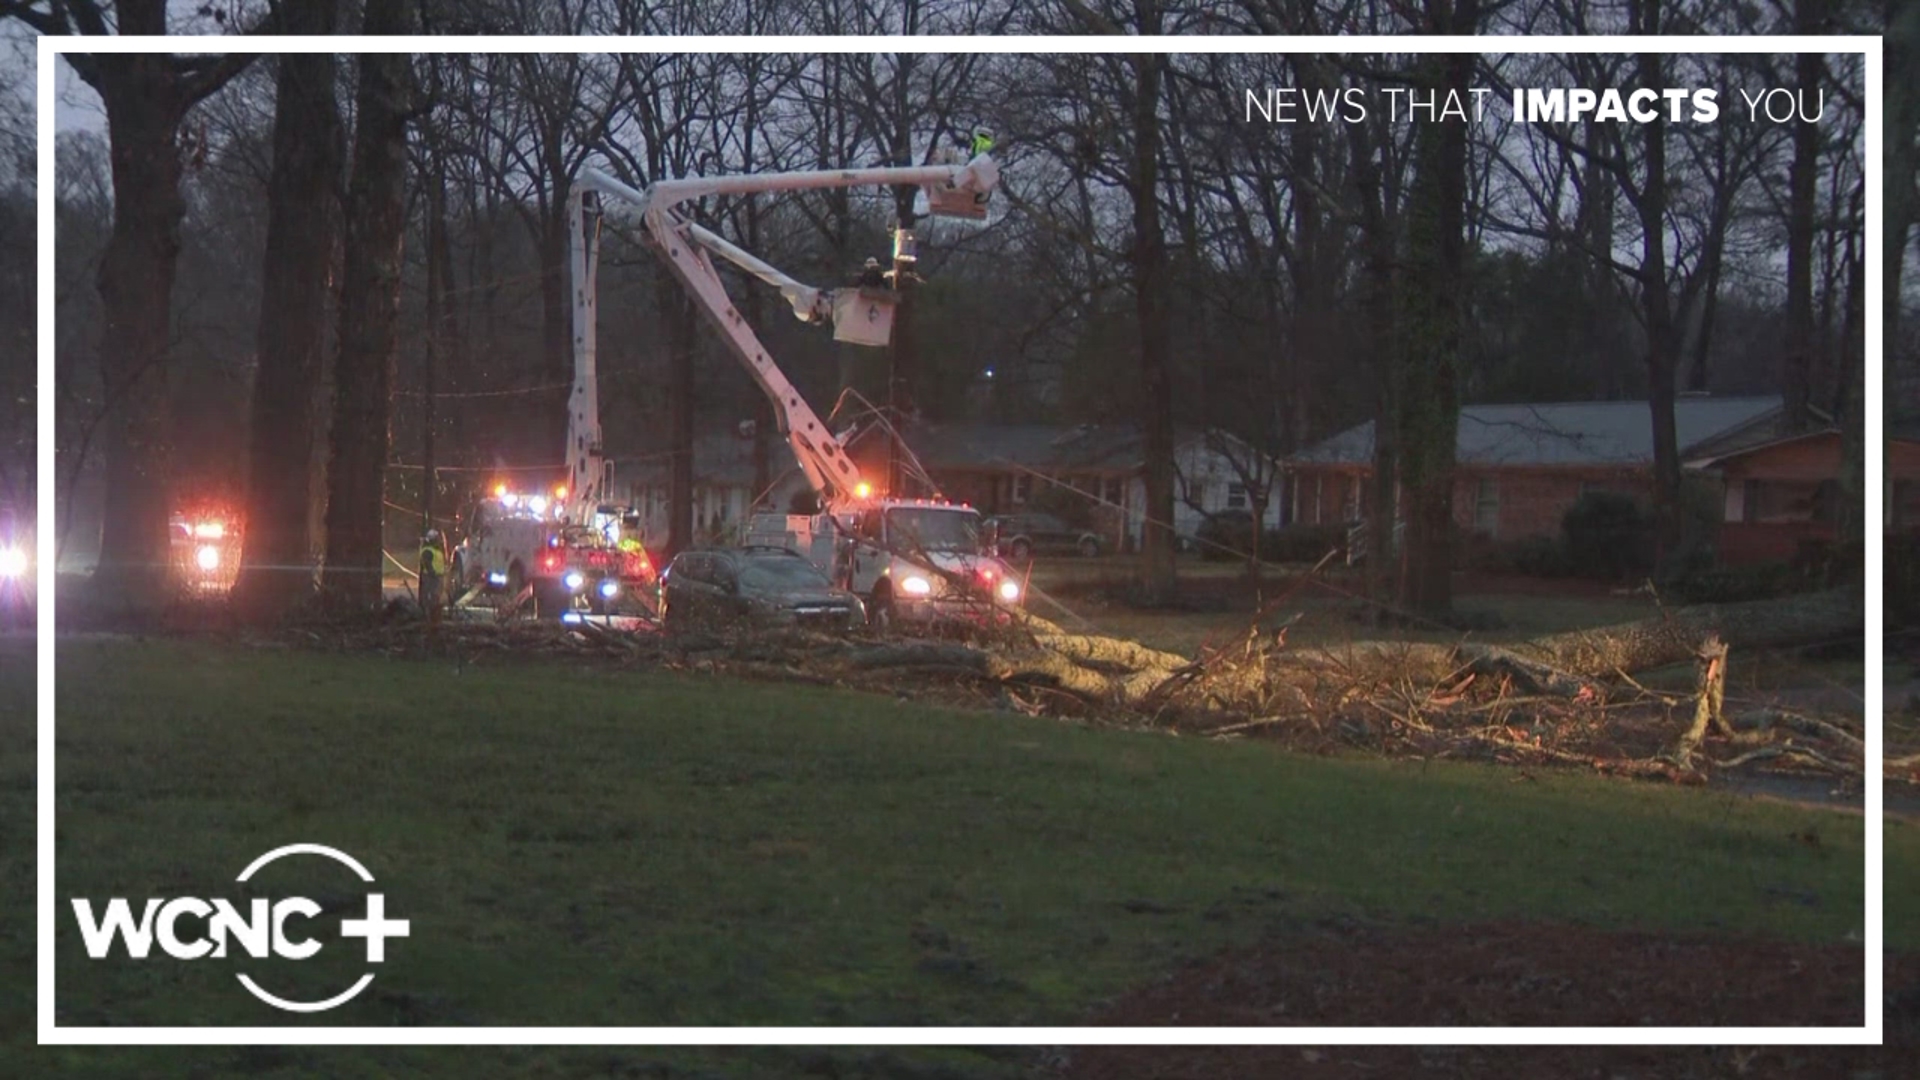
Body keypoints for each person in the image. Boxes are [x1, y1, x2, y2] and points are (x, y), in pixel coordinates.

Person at [419, 528, 447, 627]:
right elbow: (427, 564)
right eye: (437, 538)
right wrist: (433, 573)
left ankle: (435, 618)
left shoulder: (435, 550)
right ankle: (430, 619)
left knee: (437, 598)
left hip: (437, 577)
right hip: (431, 578)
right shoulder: (428, 551)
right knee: (432, 598)